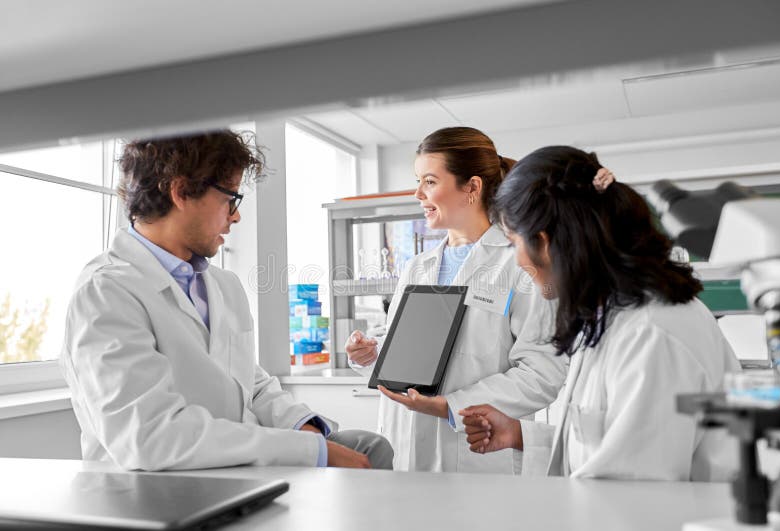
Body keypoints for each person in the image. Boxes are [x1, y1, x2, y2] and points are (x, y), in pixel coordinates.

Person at [60, 130, 393, 471]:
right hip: (160, 485)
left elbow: (249, 383)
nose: (235, 216)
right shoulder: (106, 292)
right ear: (180, 192)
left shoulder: (223, 285)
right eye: (229, 199)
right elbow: (151, 437)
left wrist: (304, 429)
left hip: (236, 465)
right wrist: (309, 451)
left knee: (370, 447)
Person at [459, 146, 739, 480]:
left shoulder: (651, 333)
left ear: (544, 242)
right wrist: (520, 435)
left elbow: (635, 489)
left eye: (514, 242)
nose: (517, 261)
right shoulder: (611, 317)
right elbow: (608, 443)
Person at [347, 127, 567, 473]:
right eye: (418, 181)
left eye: (430, 181)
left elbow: (542, 373)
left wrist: (452, 405)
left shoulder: (519, 263)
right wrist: (372, 355)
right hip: (405, 447)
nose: (418, 193)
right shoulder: (417, 267)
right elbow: (407, 353)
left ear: (472, 187)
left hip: (475, 454)